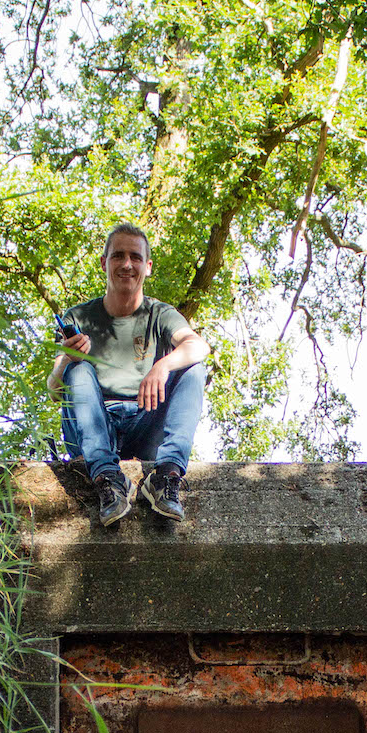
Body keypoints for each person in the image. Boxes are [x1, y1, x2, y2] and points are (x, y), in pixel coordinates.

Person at [50, 224, 212, 526]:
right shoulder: (78, 317)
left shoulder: (160, 313)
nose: (127, 264)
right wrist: (66, 361)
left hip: (145, 419)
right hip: (95, 426)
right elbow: (53, 389)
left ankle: (166, 476)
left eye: (135, 257)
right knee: (78, 367)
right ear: (104, 263)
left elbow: (199, 345)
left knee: (192, 366)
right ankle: (109, 479)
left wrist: (162, 365)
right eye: (118, 256)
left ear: (147, 267)